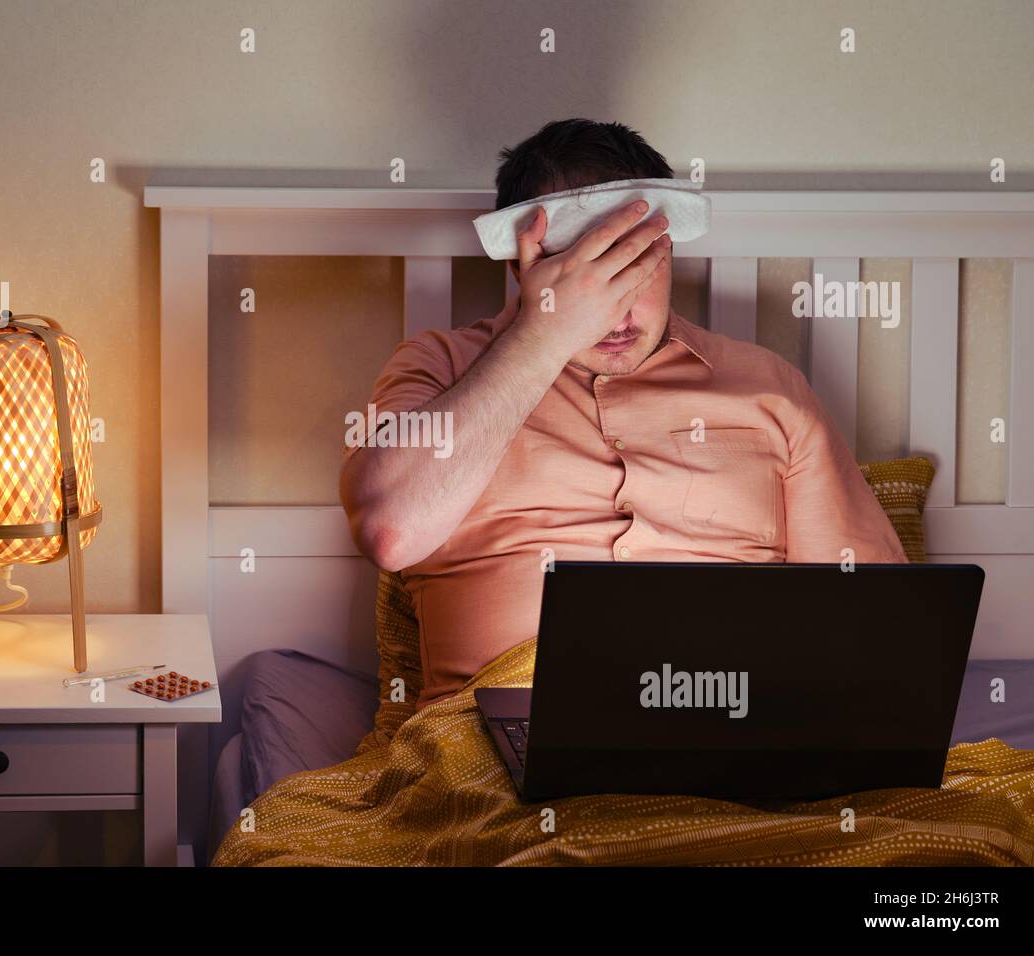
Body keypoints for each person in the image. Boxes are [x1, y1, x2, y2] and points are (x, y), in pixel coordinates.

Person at [340, 118, 906, 709]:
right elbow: (391, 530)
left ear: (668, 250)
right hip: (501, 751)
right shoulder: (439, 366)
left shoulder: (772, 390)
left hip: (726, 730)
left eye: (632, 262)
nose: (611, 308)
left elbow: (868, 626)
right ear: (518, 267)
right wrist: (546, 334)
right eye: (575, 270)